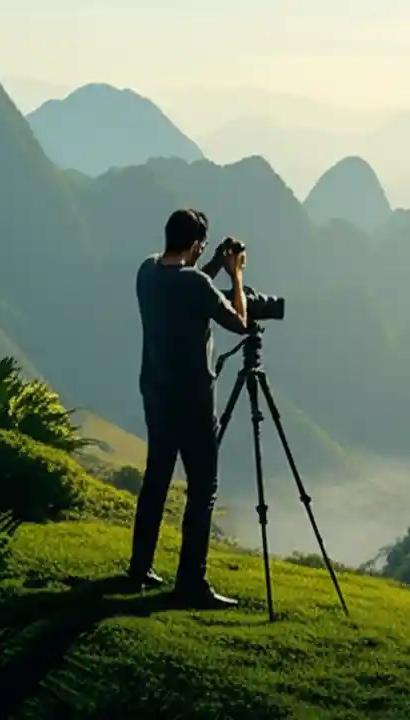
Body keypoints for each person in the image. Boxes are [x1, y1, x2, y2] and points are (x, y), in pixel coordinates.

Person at [128, 208, 249, 608]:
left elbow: (188, 286)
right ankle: (190, 582)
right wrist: (235, 274)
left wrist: (211, 262)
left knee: (156, 481)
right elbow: (239, 322)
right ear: (196, 243)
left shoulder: (146, 272)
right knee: (202, 490)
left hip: (157, 397)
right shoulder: (196, 283)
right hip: (194, 404)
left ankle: (139, 567)